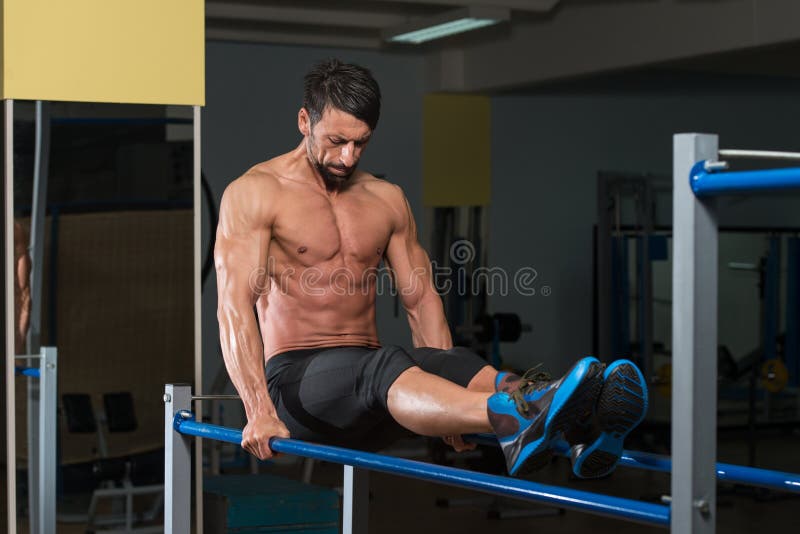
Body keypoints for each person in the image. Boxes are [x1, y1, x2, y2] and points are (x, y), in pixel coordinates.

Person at [215, 58, 647, 478]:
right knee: (383, 365)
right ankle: (515, 418)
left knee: (452, 362)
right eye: (336, 141)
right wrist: (258, 411)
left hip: (375, 392)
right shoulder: (256, 193)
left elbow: (420, 300)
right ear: (304, 121)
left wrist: (451, 409)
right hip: (299, 391)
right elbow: (233, 307)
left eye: (361, 142)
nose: (348, 158)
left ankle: (574, 426)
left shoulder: (385, 199)